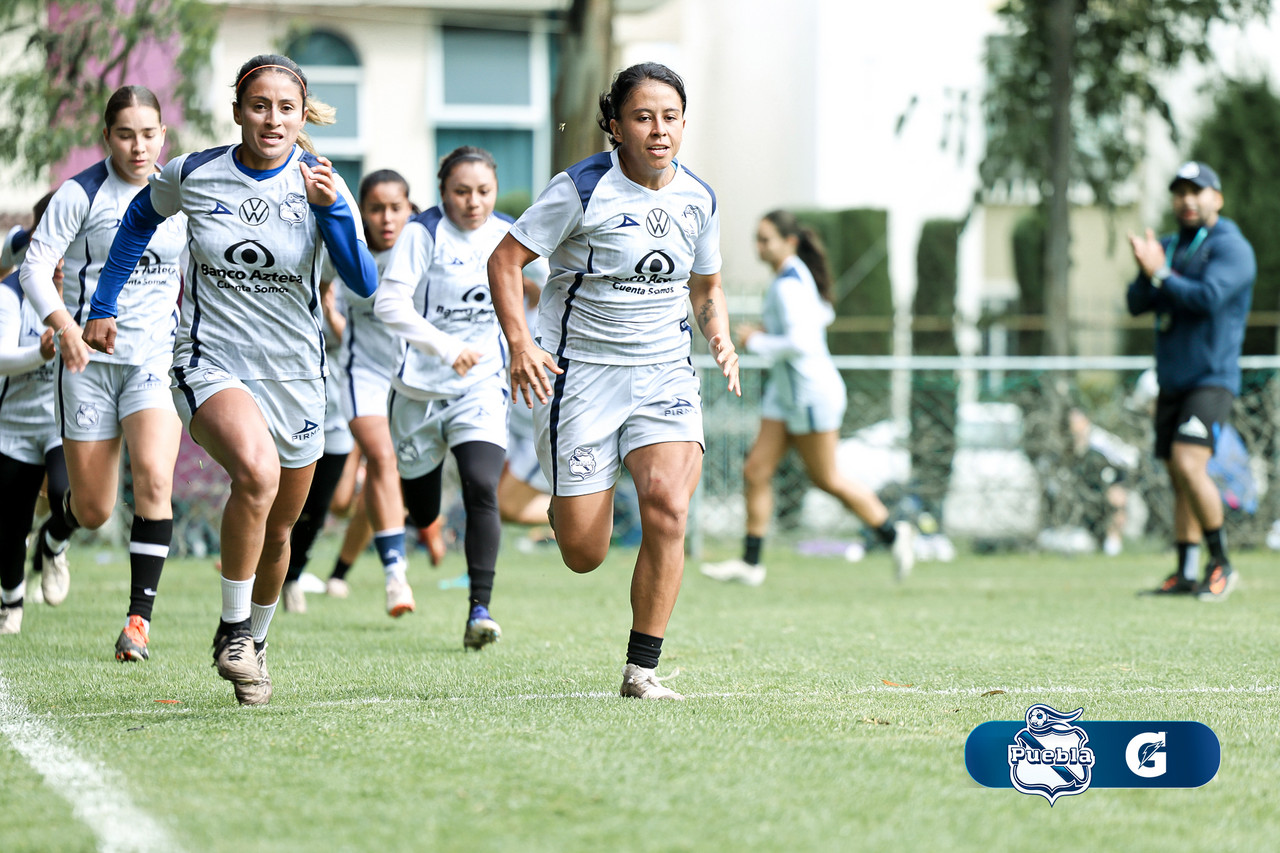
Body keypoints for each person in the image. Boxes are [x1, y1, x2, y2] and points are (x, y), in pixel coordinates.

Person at [84, 54, 378, 704]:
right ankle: (234, 628)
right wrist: (103, 303)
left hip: (297, 375)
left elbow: (364, 283)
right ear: (238, 108)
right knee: (256, 473)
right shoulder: (195, 172)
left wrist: (331, 213)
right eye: (259, 104)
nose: (272, 118)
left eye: (285, 107)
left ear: (303, 116)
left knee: (280, 527)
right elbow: (138, 220)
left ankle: (256, 643)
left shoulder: (323, 183)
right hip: (210, 359)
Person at [489, 63, 740, 699]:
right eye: (643, 117)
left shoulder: (699, 198)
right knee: (583, 552)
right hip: (582, 376)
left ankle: (642, 670)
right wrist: (520, 342)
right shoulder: (579, 190)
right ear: (614, 126)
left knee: (668, 507)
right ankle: (563, 499)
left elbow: (705, 285)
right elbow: (505, 259)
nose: (659, 130)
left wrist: (720, 335)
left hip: (664, 371)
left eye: (671, 117)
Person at [20, 86, 187, 661]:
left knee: (155, 482)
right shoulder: (81, 193)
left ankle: (138, 620)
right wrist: (66, 326)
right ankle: (55, 534)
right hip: (88, 367)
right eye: (125, 134)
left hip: (153, 360)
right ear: (107, 137)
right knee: (93, 510)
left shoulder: (180, 194)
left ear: (163, 135)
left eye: (148, 134)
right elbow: (35, 268)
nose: (138, 146)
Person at [701, 211, 914, 587]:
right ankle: (751, 564)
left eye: (766, 239)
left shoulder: (789, 284)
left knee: (827, 479)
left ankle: (895, 535)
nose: (759, 247)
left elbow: (801, 343)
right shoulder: (793, 277)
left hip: (811, 395)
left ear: (790, 242)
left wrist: (756, 341)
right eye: (758, 238)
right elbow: (822, 316)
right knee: (756, 471)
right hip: (785, 396)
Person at [375, 146, 515, 650]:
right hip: (417, 391)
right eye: (461, 192)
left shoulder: (508, 234)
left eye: (483, 192)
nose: (473, 202)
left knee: (482, 484)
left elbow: (541, 287)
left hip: (479, 384)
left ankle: (480, 607)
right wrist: (446, 346)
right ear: (442, 193)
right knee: (423, 506)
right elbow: (390, 303)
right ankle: (423, 524)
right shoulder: (422, 232)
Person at [1128, 160, 1255, 601]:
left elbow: (1208, 298)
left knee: (1189, 463)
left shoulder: (1230, 247)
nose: (1187, 200)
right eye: (1180, 192)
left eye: (1196, 191)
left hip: (1211, 378)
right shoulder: (1169, 246)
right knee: (1177, 476)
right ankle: (1185, 571)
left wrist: (1160, 273)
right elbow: (1134, 302)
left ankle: (1221, 562)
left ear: (1216, 198)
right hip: (1173, 380)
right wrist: (1147, 271)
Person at [0, 193, 71, 634]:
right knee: (10, 521)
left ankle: (54, 542)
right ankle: (11, 601)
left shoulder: (88, 283)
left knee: (71, 497)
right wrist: (40, 353)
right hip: (13, 424)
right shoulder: (12, 291)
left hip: (64, 421)